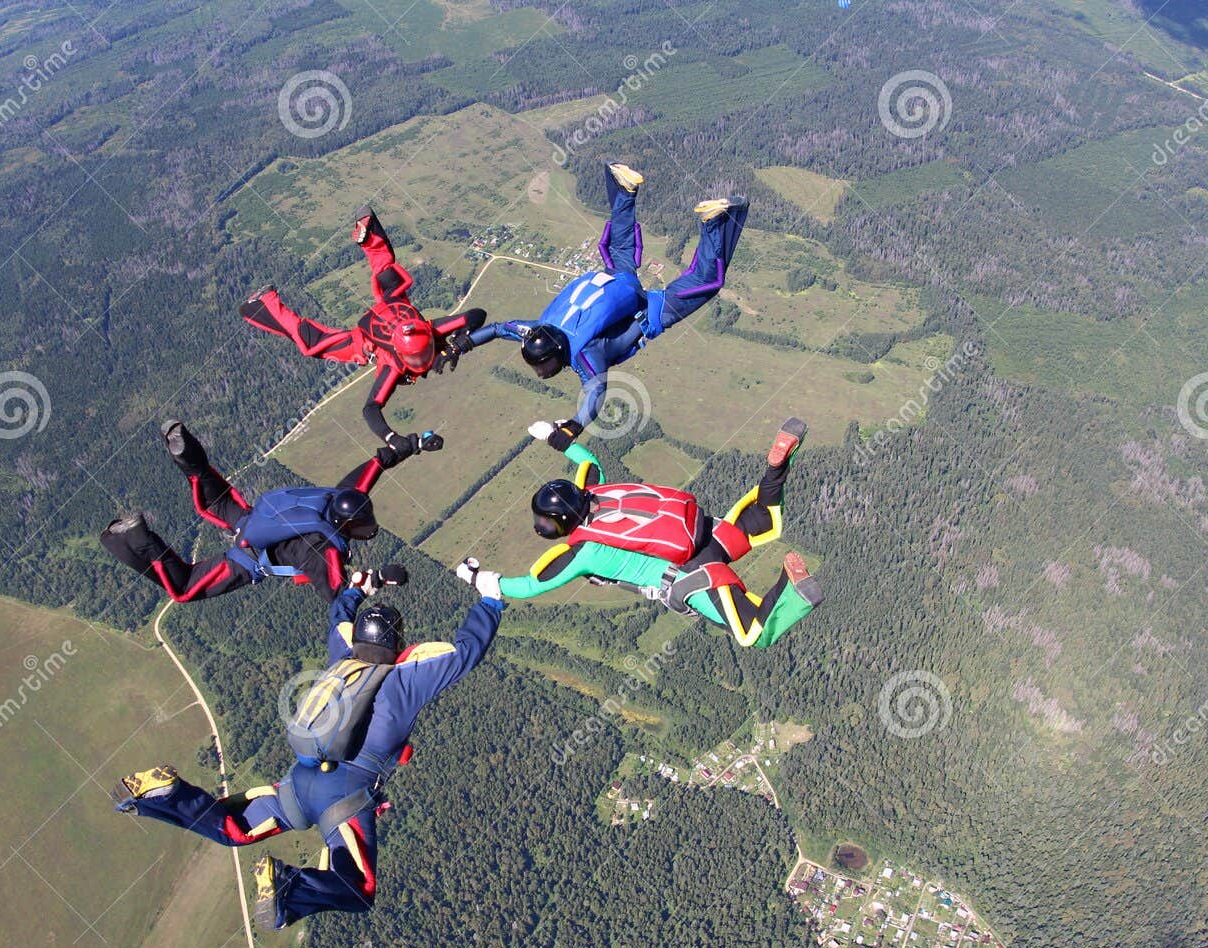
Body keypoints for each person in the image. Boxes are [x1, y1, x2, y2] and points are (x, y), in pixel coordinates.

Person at [113, 577, 504, 928]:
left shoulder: (344, 659)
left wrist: (357, 589)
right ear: (399, 643)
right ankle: (287, 887)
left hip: (299, 783)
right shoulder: (408, 677)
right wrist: (489, 599)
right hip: (345, 798)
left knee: (235, 829)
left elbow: (339, 618)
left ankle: (161, 795)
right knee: (357, 890)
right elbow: (466, 652)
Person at [455, 162, 748, 449]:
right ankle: (625, 188)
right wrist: (459, 346)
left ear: (557, 353)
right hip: (611, 281)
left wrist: (574, 427)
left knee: (705, 281)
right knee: (621, 248)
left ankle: (715, 221)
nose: (541, 374)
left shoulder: (584, 354)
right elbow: (497, 330)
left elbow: (596, 392)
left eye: (544, 367)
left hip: (650, 311)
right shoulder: (533, 331)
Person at [456, 418, 820, 647]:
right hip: (705, 532)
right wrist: (554, 437)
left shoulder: (583, 552)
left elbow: (533, 584)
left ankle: (791, 590)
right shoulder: (594, 491)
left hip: (692, 575)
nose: (542, 529)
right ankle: (776, 468)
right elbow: (588, 462)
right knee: (758, 519)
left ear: (563, 524)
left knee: (753, 633)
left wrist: (481, 580)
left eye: (546, 524)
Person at [241, 205, 487, 456]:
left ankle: (369, 231)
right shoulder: (395, 364)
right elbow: (370, 408)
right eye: (415, 358)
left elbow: (476, 315)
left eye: (424, 354)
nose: (422, 361)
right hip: (367, 339)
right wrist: (391, 437)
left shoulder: (429, 331)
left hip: (396, 310)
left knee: (386, 273)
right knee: (314, 344)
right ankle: (264, 304)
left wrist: (459, 341)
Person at [100, 419, 428, 605]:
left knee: (216, 498)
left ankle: (187, 455)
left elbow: (361, 481)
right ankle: (137, 537)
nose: (362, 532)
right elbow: (340, 594)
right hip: (247, 557)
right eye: (359, 528)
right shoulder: (323, 549)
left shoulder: (332, 501)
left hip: (253, 519)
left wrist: (400, 450)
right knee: (184, 589)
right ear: (346, 525)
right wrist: (379, 580)